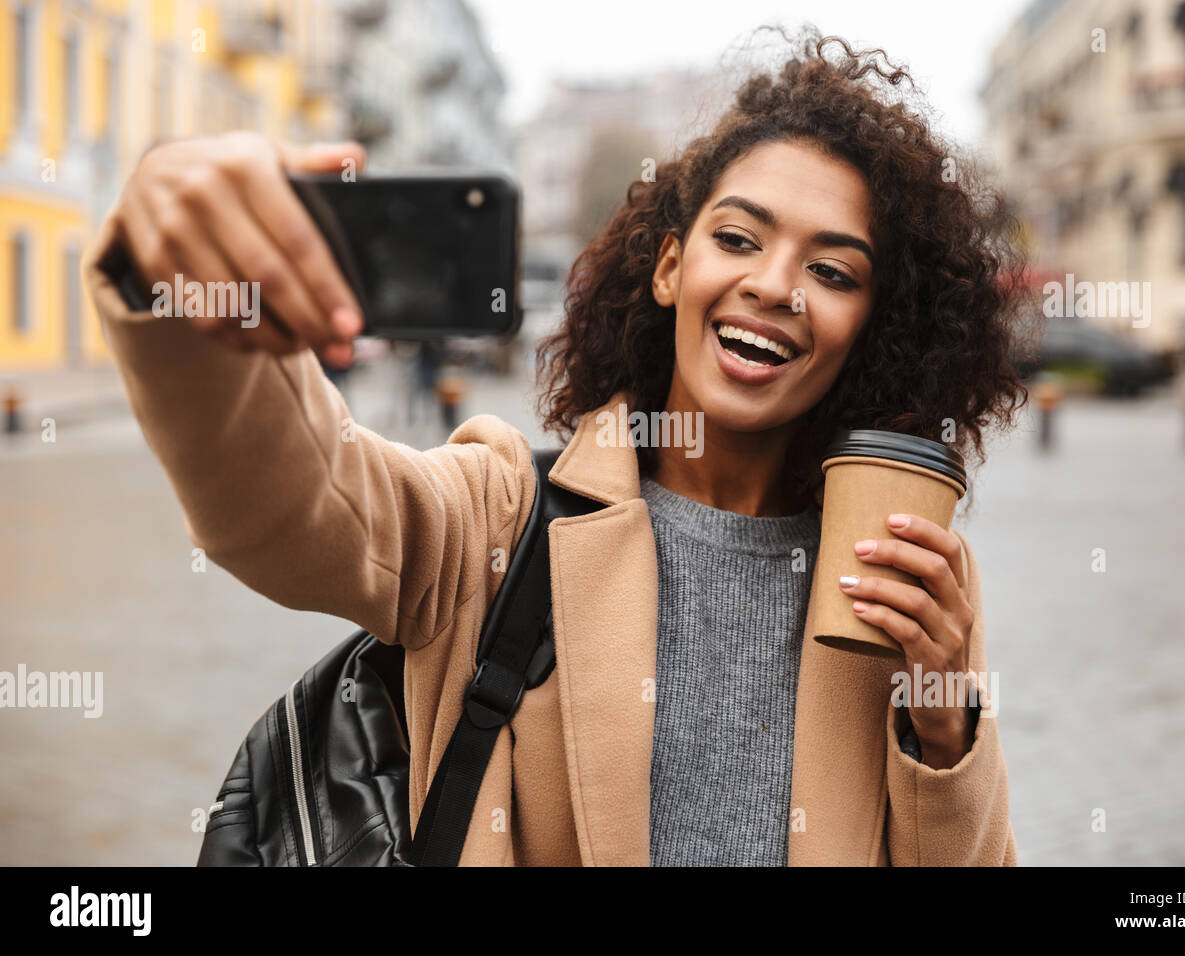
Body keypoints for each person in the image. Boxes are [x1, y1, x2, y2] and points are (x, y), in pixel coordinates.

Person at [83, 29, 1028, 866]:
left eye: (832, 270)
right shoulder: (501, 516)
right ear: (670, 268)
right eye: (738, 238)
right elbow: (284, 509)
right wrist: (171, 276)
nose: (775, 285)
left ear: (875, 324)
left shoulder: (899, 571)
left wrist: (943, 731)